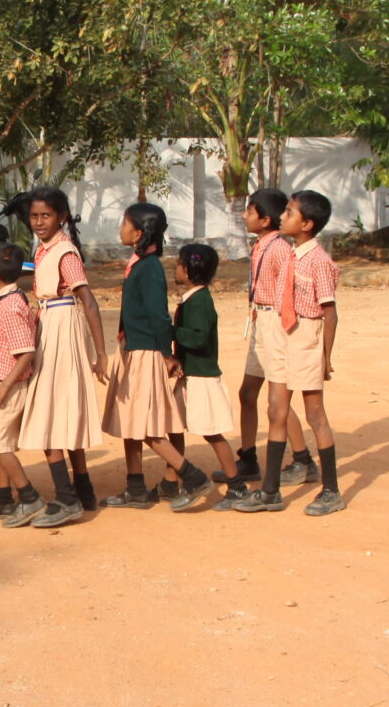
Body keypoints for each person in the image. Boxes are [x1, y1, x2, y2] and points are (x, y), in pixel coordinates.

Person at [228, 190, 343, 515]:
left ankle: (331, 490)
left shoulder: (319, 261)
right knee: (276, 410)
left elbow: (330, 314)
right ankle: (270, 492)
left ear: (307, 224)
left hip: (306, 335)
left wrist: (326, 357)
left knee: (315, 414)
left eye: (290, 213)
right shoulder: (291, 254)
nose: (283, 217)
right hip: (283, 333)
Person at [101, 202, 208, 510]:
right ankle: (135, 487)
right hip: (132, 347)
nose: (121, 229)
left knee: (144, 425)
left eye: (125, 223)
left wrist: (165, 353)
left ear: (138, 233)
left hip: (145, 351)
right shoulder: (139, 262)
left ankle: (193, 476)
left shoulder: (149, 268)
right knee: (130, 422)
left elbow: (159, 315)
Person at [13, 188, 108, 527]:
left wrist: (101, 353)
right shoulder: (45, 249)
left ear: (62, 217)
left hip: (62, 328)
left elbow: (89, 301)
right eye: (34, 216)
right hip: (50, 324)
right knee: (63, 410)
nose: (39, 222)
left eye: (46, 215)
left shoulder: (65, 252)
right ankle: (83, 491)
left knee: (49, 411)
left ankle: (66, 498)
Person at [0, 241, 45, 524]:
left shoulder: (10, 307)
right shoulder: (8, 299)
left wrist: (3, 386)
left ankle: (29, 497)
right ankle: (3, 499)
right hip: (1, 384)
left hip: (9, 386)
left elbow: (26, 352)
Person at [233, 188, 293, 490]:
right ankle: (248, 457)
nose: (245, 215)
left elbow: (290, 291)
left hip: (275, 323)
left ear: (266, 219)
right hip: (260, 319)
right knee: (247, 393)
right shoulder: (260, 245)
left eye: (250, 211)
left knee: (278, 399)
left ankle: (302, 458)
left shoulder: (280, 249)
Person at [172, 242, 239, 505]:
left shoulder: (199, 302)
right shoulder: (194, 299)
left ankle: (237, 486)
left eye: (179, 264)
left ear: (189, 271)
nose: (176, 268)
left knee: (212, 432)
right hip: (193, 374)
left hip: (202, 377)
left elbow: (198, 338)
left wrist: (170, 331)